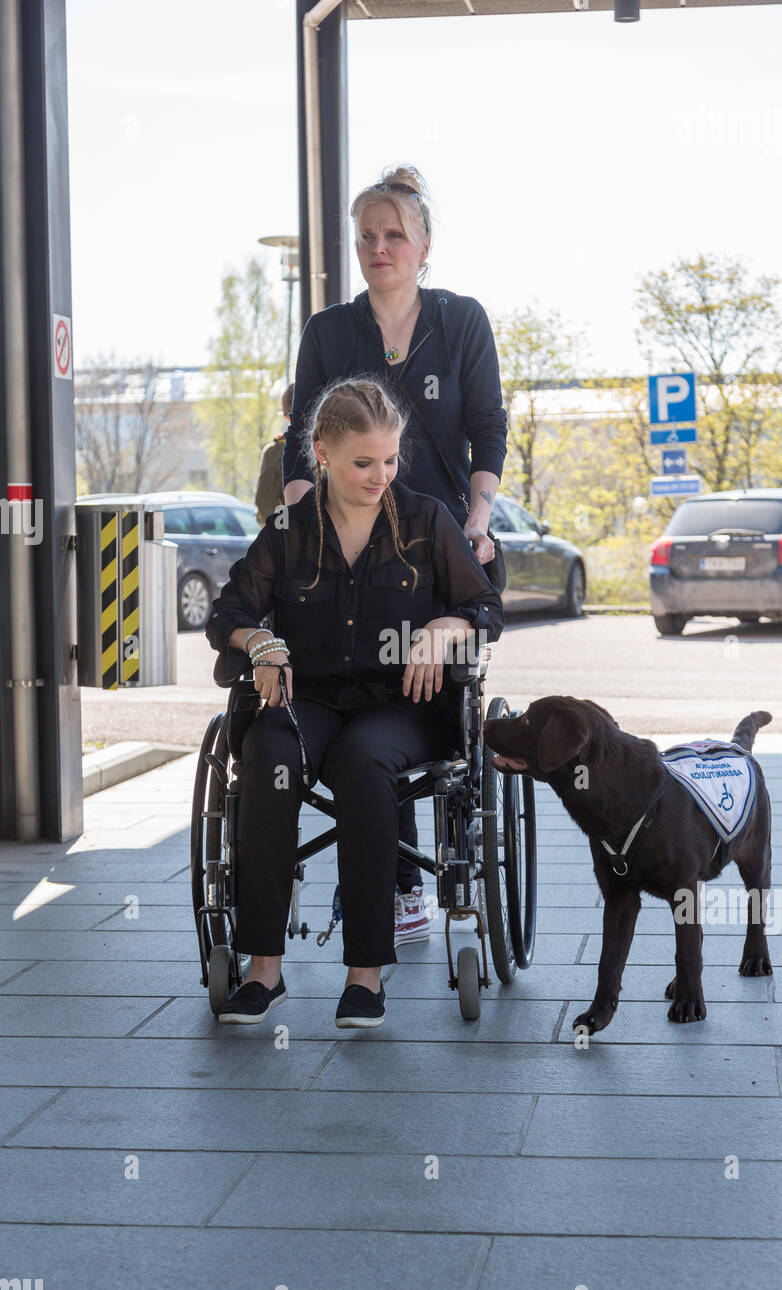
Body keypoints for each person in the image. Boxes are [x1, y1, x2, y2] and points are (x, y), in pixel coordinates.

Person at [205, 377, 503, 1029]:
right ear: (322, 453)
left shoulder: (426, 521)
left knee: (367, 762)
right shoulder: (289, 530)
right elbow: (228, 609)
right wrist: (259, 643)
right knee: (266, 753)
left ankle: (365, 977)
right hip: (307, 697)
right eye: (363, 462)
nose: (380, 476)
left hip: (401, 705)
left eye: (390, 460)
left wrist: (442, 629)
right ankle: (264, 969)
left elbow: (483, 605)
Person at [281, 165, 507, 945]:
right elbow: (298, 446)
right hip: (348, 550)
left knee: (428, 689)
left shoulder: (461, 321)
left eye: (394, 235)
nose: (379, 248)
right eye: (367, 236)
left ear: (424, 246)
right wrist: (306, 530)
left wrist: (478, 517)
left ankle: (439, 859)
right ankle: (394, 879)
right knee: (363, 689)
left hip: (441, 547)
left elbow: (487, 426)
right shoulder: (328, 332)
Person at [255, 384, 294, 526]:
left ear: (286, 416)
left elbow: (265, 506)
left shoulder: (275, 453)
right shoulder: (335, 447)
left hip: (291, 538)